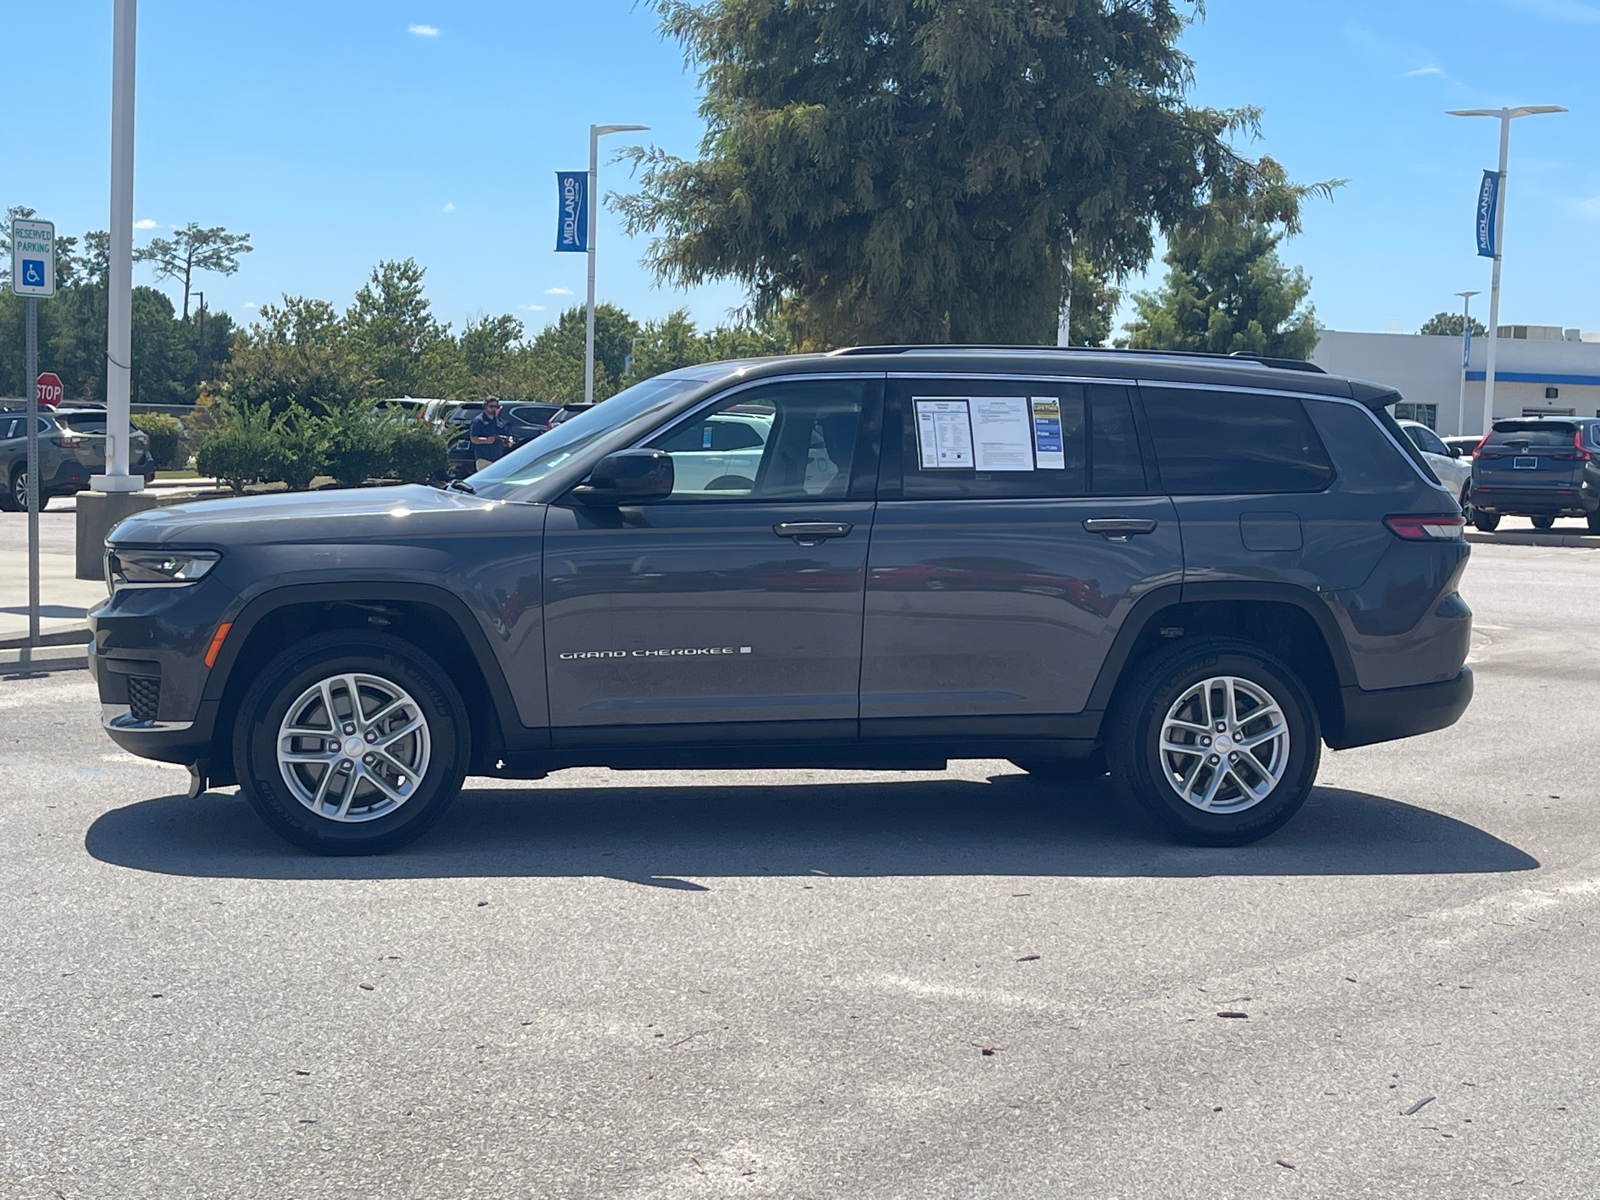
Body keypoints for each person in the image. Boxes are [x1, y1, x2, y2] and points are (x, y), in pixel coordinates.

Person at [469, 398, 513, 472]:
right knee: (485, 482)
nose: (494, 409)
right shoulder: (479, 421)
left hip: (498, 458)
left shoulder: (498, 420)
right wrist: (486, 440)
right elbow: (473, 438)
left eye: (496, 407)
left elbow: (503, 434)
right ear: (485, 406)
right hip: (484, 459)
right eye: (491, 406)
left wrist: (508, 440)